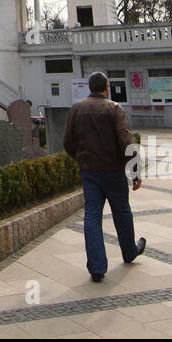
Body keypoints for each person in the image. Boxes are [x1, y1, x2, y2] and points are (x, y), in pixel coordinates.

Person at [63, 71, 145, 282]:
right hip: (113, 170)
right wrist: (135, 172)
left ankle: (97, 268)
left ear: (89, 88)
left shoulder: (76, 109)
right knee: (122, 212)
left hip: (89, 171)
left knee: (92, 216)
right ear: (106, 87)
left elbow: (68, 142)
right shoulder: (113, 108)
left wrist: (81, 158)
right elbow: (127, 142)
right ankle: (129, 252)